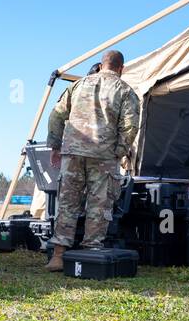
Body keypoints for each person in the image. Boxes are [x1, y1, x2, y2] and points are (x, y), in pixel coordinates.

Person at [43, 49, 140, 271]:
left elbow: (56, 115)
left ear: (101, 64)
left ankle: (58, 256)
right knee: (98, 205)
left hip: (73, 153)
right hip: (103, 156)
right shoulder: (125, 90)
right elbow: (130, 125)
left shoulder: (77, 85)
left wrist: (55, 146)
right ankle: (88, 257)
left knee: (67, 203)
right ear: (121, 68)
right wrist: (119, 151)